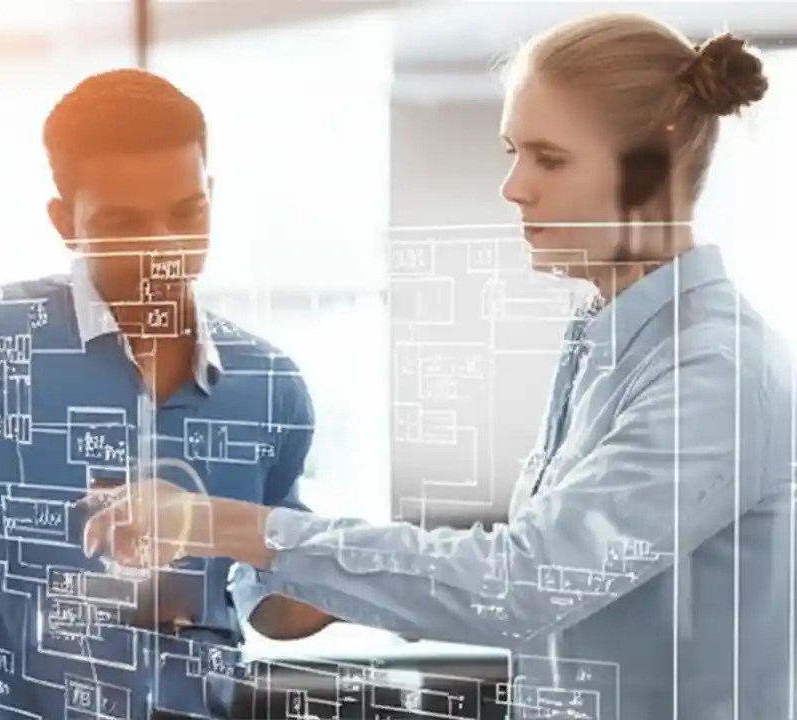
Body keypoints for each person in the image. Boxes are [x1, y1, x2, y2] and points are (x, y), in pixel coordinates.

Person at [85, 15, 794, 720]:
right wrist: (305, 581)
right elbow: (551, 580)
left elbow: (523, 583)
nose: (513, 188)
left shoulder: (715, 372)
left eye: (548, 158)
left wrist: (222, 523)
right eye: (511, 152)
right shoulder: (607, 339)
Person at [0, 68, 333, 719]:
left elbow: (265, 598)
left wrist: (372, 579)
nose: (164, 249)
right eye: (124, 223)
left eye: (187, 213)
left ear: (211, 194)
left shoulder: (268, 384)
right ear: (65, 221)